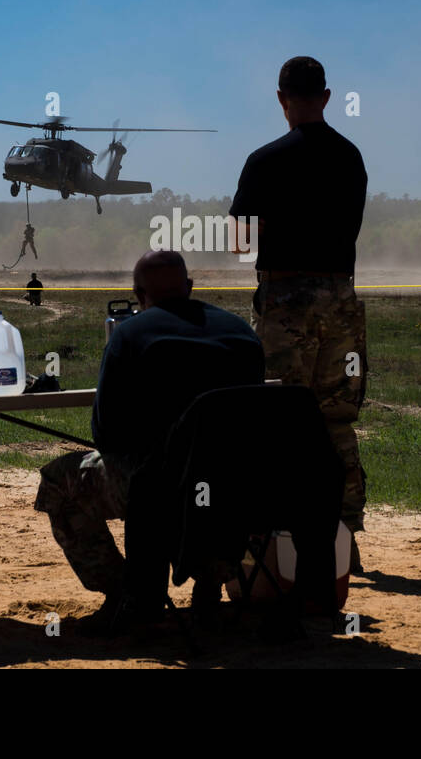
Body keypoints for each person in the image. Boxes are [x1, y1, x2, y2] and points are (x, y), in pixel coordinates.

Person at [34, 250, 264, 632]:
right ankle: (210, 580)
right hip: (239, 488)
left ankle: (127, 593)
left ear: (139, 296)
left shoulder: (130, 334)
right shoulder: (242, 332)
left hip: (158, 489)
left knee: (59, 479)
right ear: (189, 287)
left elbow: (105, 434)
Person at [228, 56, 368, 569]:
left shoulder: (265, 160)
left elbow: (241, 241)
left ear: (281, 99)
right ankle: (345, 541)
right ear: (326, 97)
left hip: (287, 302)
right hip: (342, 299)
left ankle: (283, 541)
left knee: (282, 421)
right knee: (336, 421)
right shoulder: (350, 157)